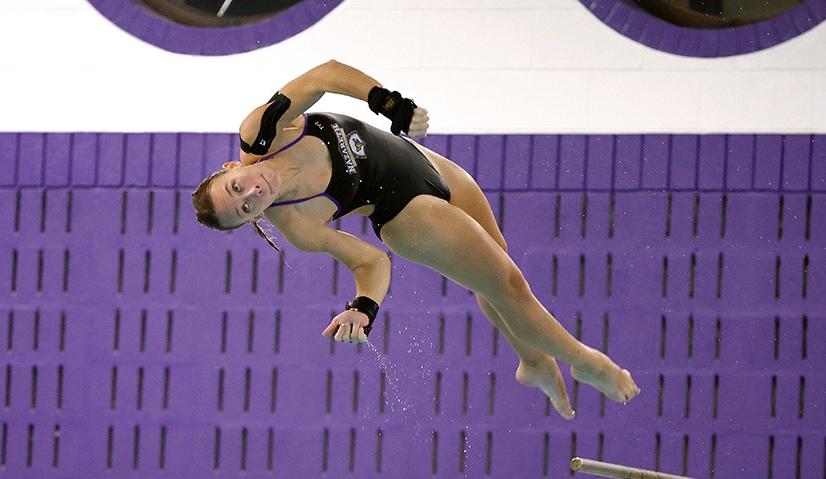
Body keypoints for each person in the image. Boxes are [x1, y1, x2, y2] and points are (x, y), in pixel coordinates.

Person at [191, 60, 639, 419]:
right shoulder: (299, 226)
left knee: (494, 268)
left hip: (422, 161)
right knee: (508, 284)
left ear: (234, 168)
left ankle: (535, 362)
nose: (253, 194)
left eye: (238, 188)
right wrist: (363, 309)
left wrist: (388, 103)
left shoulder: (263, 131)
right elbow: (372, 263)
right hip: (407, 216)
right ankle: (586, 362)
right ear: (254, 220)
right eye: (247, 209)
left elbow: (324, 74)